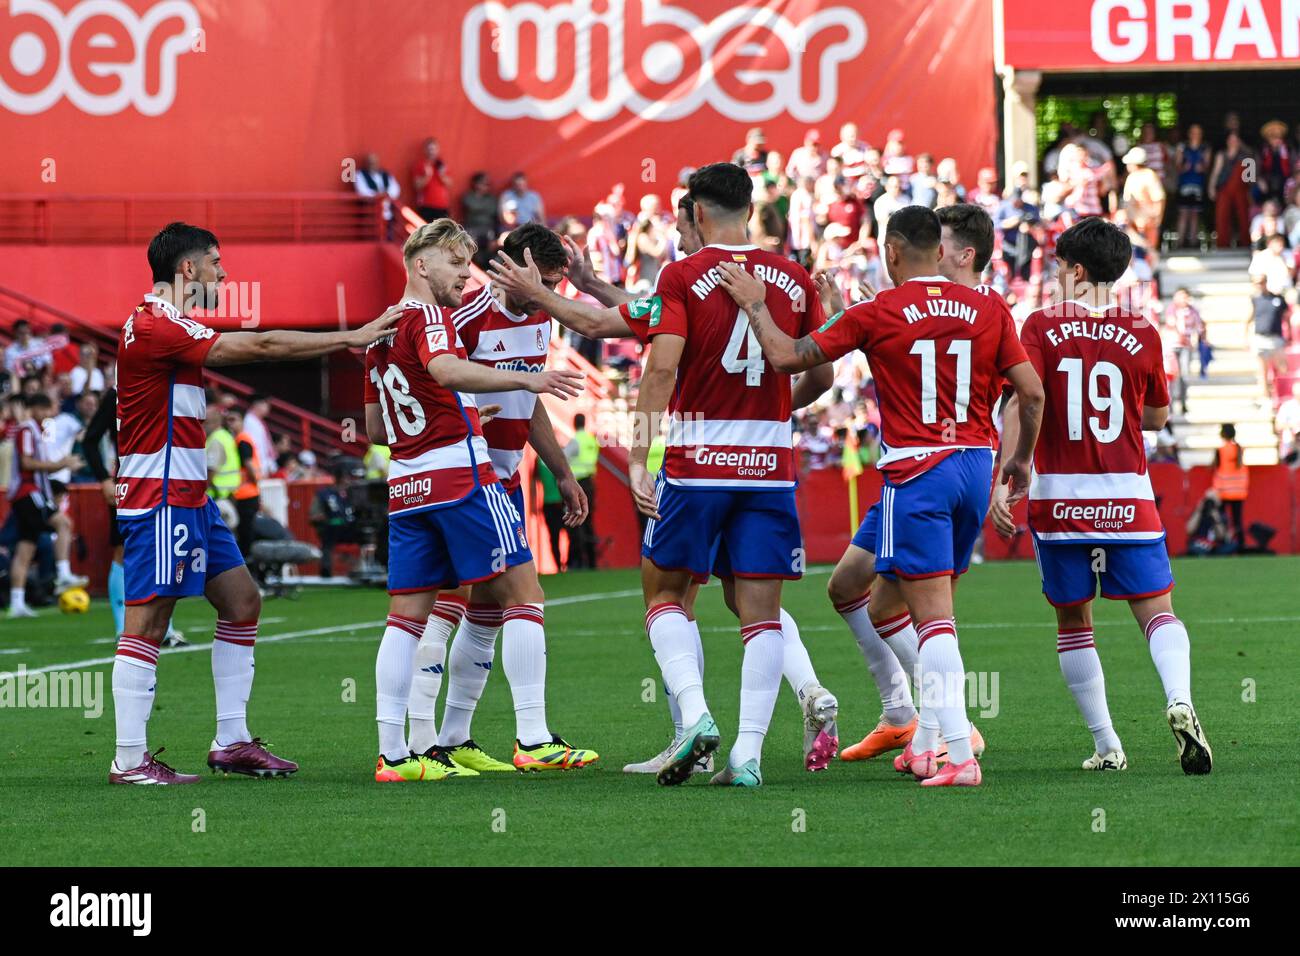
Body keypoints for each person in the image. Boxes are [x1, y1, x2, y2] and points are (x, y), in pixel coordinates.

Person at [489, 193, 841, 776]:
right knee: (757, 606)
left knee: (667, 595)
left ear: (700, 216)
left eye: (680, 226)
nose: (676, 240)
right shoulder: (793, 276)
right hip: (769, 468)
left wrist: (637, 457)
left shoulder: (684, 276)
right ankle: (753, 749)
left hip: (699, 463)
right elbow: (819, 373)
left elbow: (645, 354)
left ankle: (693, 723)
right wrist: (774, 413)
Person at [728, 204, 1044, 788]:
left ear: (893, 251)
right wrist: (1018, 465)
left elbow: (784, 357)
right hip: (973, 467)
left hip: (916, 473)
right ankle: (918, 732)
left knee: (932, 620)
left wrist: (753, 301)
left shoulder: (880, 311)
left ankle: (958, 750)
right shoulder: (991, 306)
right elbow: (1030, 393)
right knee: (859, 591)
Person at [108, 220, 401, 785]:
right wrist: (349, 336)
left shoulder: (167, 325)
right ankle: (128, 759)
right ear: (187, 269)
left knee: (242, 601)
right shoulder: (158, 323)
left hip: (191, 497)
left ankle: (232, 741)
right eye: (216, 262)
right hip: (161, 497)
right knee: (149, 619)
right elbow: (264, 343)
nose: (224, 272)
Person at [362, 218, 594, 783]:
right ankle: (529, 737)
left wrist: (560, 469)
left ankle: (424, 745)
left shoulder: (385, 331)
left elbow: (378, 422)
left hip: (423, 479)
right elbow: (445, 369)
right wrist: (494, 401)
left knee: (458, 610)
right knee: (514, 595)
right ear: (510, 267)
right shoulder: (449, 315)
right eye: (457, 265)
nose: (551, 292)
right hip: (467, 476)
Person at [993, 216, 1212, 776]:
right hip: (1128, 499)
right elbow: (1158, 416)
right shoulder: (1143, 331)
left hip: (1060, 502)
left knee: (1073, 621)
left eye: (1060, 266)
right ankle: (1180, 701)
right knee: (1157, 614)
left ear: (1079, 270)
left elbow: (1024, 400)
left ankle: (1108, 743)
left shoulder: (1041, 326)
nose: (1055, 274)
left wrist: (1008, 470)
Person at [819, 203, 1003, 765]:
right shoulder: (957, 309)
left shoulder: (986, 308)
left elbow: (1019, 391)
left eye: (943, 242)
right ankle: (905, 719)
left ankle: (946, 730)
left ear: (959, 252)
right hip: (923, 471)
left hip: (930, 468)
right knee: (846, 586)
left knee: (911, 611)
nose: (936, 252)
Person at [6, 393, 88, 618]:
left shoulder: (33, 430)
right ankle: (63, 573)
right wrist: (60, 464)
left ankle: (17, 602)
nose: (48, 415)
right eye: (45, 410)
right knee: (63, 523)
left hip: (28, 492)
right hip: (29, 491)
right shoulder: (27, 430)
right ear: (36, 408)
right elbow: (27, 462)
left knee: (25, 550)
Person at [309, 463, 359, 579]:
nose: (348, 481)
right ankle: (326, 570)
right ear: (339, 478)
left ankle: (374, 565)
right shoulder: (323, 494)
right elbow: (314, 514)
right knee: (328, 535)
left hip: (352, 527)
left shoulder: (355, 493)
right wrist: (320, 517)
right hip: (331, 527)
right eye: (346, 477)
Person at [563, 413, 600, 570]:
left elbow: (562, 457)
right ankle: (591, 560)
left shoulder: (576, 441)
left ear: (574, 423)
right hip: (590, 482)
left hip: (578, 484)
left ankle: (577, 562)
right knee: (589, 520)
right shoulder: (592, 440)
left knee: (576, 520)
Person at [1247, 273, 1289, 396]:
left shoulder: (1277, 299)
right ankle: (1266, 398)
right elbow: (1249, 317)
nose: (1260, 285)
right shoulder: (1255, 299)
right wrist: (1246, 337)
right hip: (1261, 338)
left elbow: (1287, 316)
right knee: (1263, 372)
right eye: (1257, 283)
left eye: (1262, 282)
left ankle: (1283, 395)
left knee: (1283, 369)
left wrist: (1288, 335)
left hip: (1276, 338)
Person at [1209, 132, 1253, 248]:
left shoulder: (1245, 156)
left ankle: (1245, 243)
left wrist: (1250, 191)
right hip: (1224, 188)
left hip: (1241, 190)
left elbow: (1251, 177)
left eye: (1236, 140)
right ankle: (1223, 244)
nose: (1233, 142)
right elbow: (1216, 172)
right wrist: (1211, 186)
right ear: (1227, 142)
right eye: (1231, 140)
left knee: (1243, 217)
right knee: (1222, 216)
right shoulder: (1221, 154)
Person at [227, 409, 261, 557]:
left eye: (234, 419)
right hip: (248, 493)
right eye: (229, 420)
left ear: (242, 422)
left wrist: (255, 479)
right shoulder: (241, 439)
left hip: (246, 494)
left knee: (245, 534)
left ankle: (249, 566)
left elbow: (248, 464)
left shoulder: (241, 440)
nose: (230, 423)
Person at [1122, 147, 1166, 254]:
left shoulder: (1149, 175)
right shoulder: (1131, 177)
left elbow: (1158, 198)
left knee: (1149, 252)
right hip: (1133, 223)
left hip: (1147, 222)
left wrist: (1156, 219)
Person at [1211, 423, 1249, 546]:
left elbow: (1213, 466)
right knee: (1237, 520)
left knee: (1222, 520)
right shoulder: (1239, 449)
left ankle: (1224, 544)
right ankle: (1240, 545)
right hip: (1239, 492)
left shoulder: (1220, 450)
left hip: (1223, 492)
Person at [1175, 124, 1209, 248]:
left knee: (1195, 214)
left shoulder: (1205, 148)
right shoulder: (1182, 147)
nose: (1195, 135)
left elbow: (1207, 167)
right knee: (1183, 213)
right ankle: (1179, 244)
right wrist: (1184, 167)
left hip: (1198, 185)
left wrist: (1203, 168)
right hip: (1184, 184)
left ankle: (1193, 243)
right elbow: (1177, 166)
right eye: (1193, 132)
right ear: (1189, 134)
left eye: (1198, 132)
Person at [353, 153, 401, 236]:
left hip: (387, 212)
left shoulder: (385, 174)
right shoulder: (360, 175)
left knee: (389, 236)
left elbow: (396, 189)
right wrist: (379, 196)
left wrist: (386, 194)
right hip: (370, 213)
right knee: (372, 237)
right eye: (370, 162)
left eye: (374, 162)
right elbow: (363, 191)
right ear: (366, 164)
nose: (373, 165)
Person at [461, 172, 499, 269]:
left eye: (488, 184)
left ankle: (486, 267)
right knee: (470, 243)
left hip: (488, 229)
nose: (487, 186)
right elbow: (470, 205)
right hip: (472, 228)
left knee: (492, 243)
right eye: (484, 184)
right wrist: (481, 208)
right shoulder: (468, 196)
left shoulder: (491, 198)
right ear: (476, 184)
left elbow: (492, 209)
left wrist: (477, 208)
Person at [411, 137, 451, 222]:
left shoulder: (442, 165)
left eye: (434, 149)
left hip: (442, 207)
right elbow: (417, 186)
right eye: (429, 149)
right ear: (425, 150)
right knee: (427, 234)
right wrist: (427, 176)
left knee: (442, 234)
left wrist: (442, 175)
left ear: (438, 150)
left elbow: (449, 184)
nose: (431, 151)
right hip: (426, 206)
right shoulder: (420, 165)